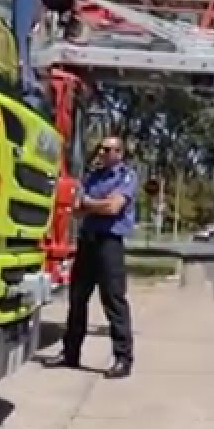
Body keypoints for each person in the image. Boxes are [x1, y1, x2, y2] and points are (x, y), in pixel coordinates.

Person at [43, 136, 137, 378]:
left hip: (110, 245)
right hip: (88, 243)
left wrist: (90, 204)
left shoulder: (126, 176)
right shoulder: (92, 176)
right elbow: (76, 210)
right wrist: (96, 204)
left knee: (114, 302)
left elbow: (114, 208)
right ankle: (70, 353)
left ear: (119, 152)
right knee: (77, 300)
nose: (103, 152)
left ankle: (122, 359)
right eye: (101, 148)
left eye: (108, 149)